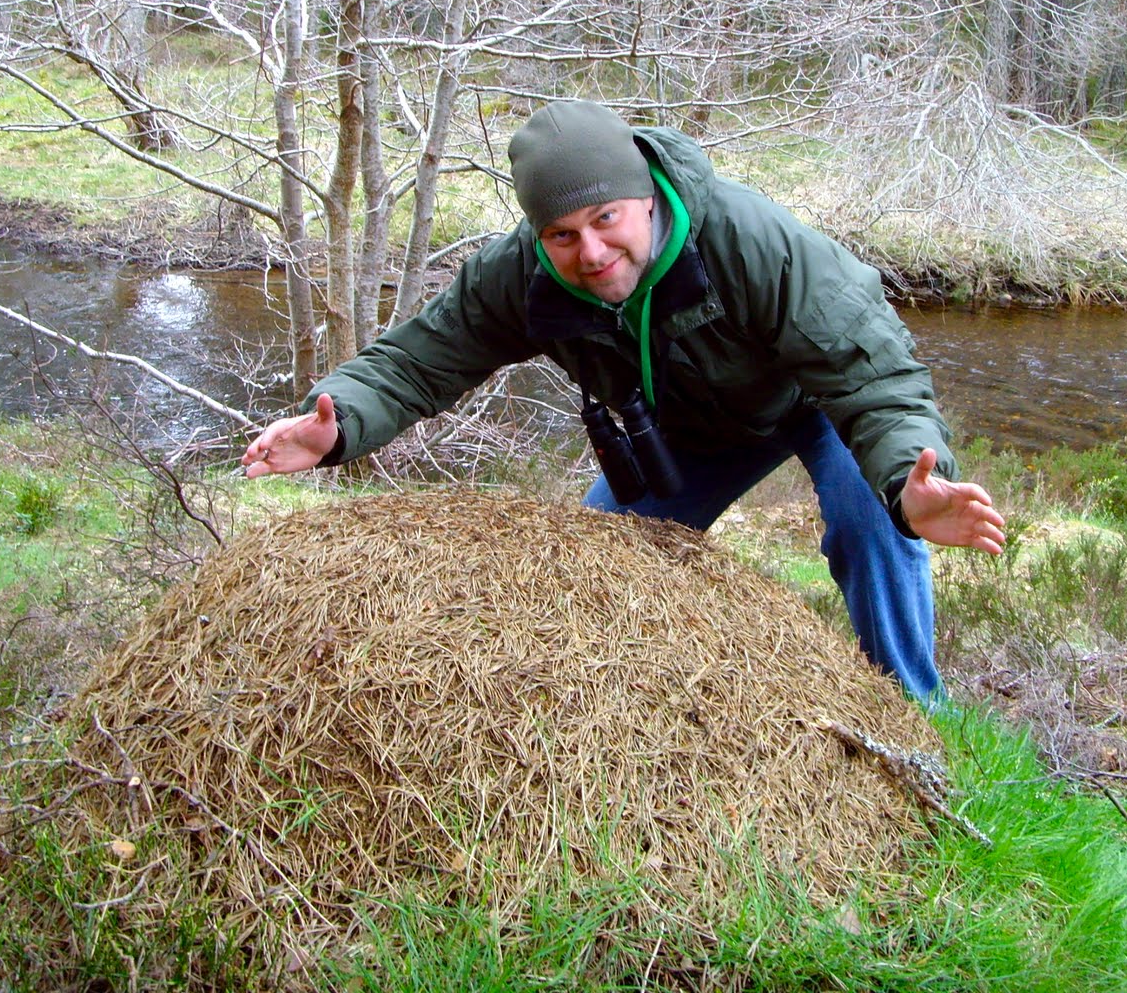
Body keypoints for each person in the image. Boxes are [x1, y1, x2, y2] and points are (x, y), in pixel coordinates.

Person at [241, 100, 1004, 701]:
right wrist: (335, 423)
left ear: (643, 197)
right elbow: (420, 357)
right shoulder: (524, 273)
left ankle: (912, 714)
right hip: (695, 430)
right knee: (596, 567)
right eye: (562, 235)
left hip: (816, 399)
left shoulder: (750, 241)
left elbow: (871, 372)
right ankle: (630, 716)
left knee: (873, 522)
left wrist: (909, 478)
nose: (592, 253)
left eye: (605, 219)